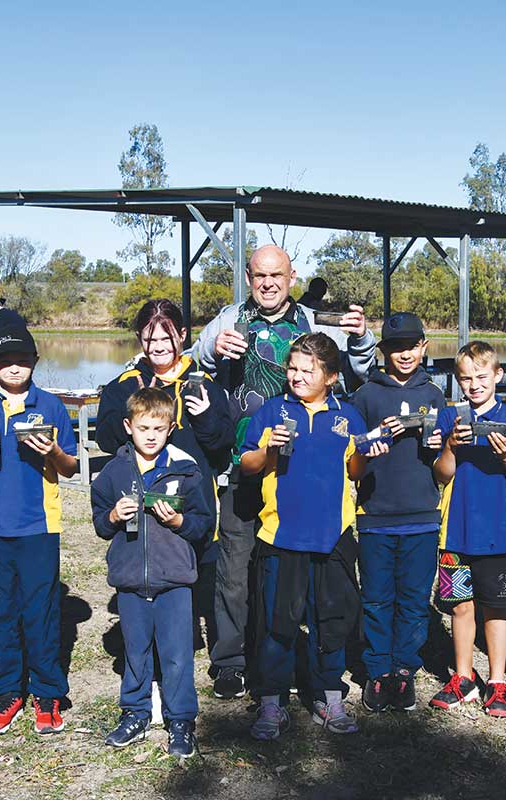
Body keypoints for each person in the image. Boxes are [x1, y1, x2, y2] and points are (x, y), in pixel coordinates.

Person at [194, 244, 377, 700]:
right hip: (245, 461)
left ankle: (298, 662)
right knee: (234, 569)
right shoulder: (230, 317)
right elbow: (195, 357)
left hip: (298, 473)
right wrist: (214, 349)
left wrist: (360, 339)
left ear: (292, 277)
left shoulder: (311, 322)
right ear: (249, 278)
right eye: (259, 276)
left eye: (277, 275)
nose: (268, 284)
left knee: (293, 572)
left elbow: (353, 371)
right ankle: (231, 662)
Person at [240, 333, 388, 740]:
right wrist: (270, 450)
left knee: (331, 622)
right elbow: (249, 464)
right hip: (280, 537)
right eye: (293, 368)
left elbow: (355, 470)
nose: (298, 376)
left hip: (332, 538)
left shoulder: (348, 415)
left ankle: (330, 697)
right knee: (277, 625)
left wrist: (366, 454)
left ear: (332, 377)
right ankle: (271, 702)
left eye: (309, 370)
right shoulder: (272, 410)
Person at [0, 319, 80, 735]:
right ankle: (5, 691)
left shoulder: (52, 405)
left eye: (22, 359)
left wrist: (54, 451)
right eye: (5, 359)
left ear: (35, 362)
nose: (14, 366)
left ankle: (47, 692)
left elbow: (73, 467)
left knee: (40, 611)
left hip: (39, 526)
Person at [95, 300, 233, 682]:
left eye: (166, 337)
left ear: (182, 336)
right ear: (139, 338)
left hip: (194, 499)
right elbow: (106, 439)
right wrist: (128, 404)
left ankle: (223, 663)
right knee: (155, 574)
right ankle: (153, 658)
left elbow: (222, 444)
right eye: (149, 338)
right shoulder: (125, 383)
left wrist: (203, 414)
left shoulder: (203, 380)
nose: (158, 346)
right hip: (146, 505)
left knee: (207, 578)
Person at [91, 388, 216, 758]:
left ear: (171, 428)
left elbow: (203, 525)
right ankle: (135, 712)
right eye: (143, 427)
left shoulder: (187, 470)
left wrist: (178, 520)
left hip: (175, 579)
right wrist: (114, 516)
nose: (150, 435)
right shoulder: (112, 472)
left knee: (177, 654)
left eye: (158, 429)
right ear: (128, 426)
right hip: (130, 581)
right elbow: (99, 522)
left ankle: (181, 720)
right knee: (136, 651)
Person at [428, 341, 506, 718]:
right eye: (465, 378)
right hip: (455, 533)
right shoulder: (451, 418)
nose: (473, 385)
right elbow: (441, 474)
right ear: (458, 381)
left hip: (499, 534)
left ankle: (498, 680)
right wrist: (450, 447)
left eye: (480, 377)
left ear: (497, 376)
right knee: (460, 607)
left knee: (496, 610)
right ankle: (463, 678)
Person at [348, 312, 446, 712]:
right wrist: (369, 445)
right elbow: (353, 461)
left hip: (422, 514)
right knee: (375, 598)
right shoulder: (366, 395)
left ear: (423, 347)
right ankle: (377, 670)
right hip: (375, 516)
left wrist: (438, 443)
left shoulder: (435, 395)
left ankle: (404, 671)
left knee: (413, 599)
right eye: (395, 348)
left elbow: (443, 463)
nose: (404, 355)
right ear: (383, 351)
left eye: (411, 346)